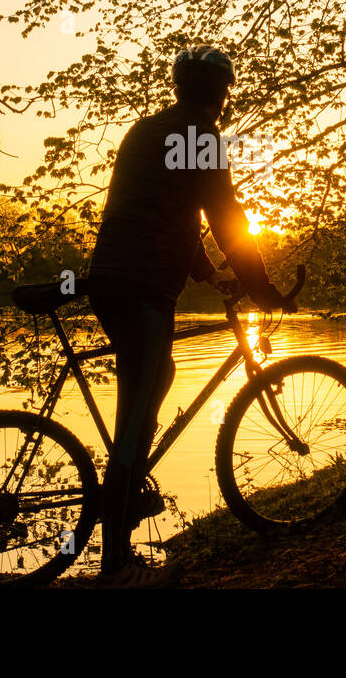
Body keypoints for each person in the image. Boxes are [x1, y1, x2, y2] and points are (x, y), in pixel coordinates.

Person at [86, 44, 289, 588]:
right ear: (221, 93)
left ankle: (123, 498)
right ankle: (116, 565)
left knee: (156, 381)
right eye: (222, 91)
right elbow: (225, 217)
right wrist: (262, 289)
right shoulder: (202, 139)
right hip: (143, 286)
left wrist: (208, 273)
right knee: (136, 419)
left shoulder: (144, 130)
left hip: (110, 278)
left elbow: (158, 211)